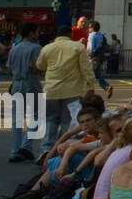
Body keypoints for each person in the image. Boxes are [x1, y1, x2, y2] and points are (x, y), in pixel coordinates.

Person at [35, 25, 94, 156]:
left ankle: (46, 149)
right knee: (67, 122)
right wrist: (91, 86)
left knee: (50, 120)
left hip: (51, 90)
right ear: (70, 34)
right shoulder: (78, 47)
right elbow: (86, 68)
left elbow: (40, 65)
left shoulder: (47, 48)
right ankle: (60, 149)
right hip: (72, 91)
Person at [6, 22, 43, 162]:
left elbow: (9, 69)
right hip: (31, 82)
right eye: (37, 32)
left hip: (16, 83)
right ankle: (26, 145)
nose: (38, 34)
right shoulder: (36, 48)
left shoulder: (14, 49)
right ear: (31, 33)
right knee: (37, 113)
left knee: (17, 118)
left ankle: (15, 151)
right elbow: (35, 68)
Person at [86, 20, 112, 98]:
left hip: (93, 58)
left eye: (89, 27)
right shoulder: (101, 35)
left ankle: (87, 92)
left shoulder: (92, 36)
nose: (88, 29)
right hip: (100, 58)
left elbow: (91, 48)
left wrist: (87, 55)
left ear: (92, 28)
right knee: (97, 75)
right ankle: (106, 86)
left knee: (88, 74)